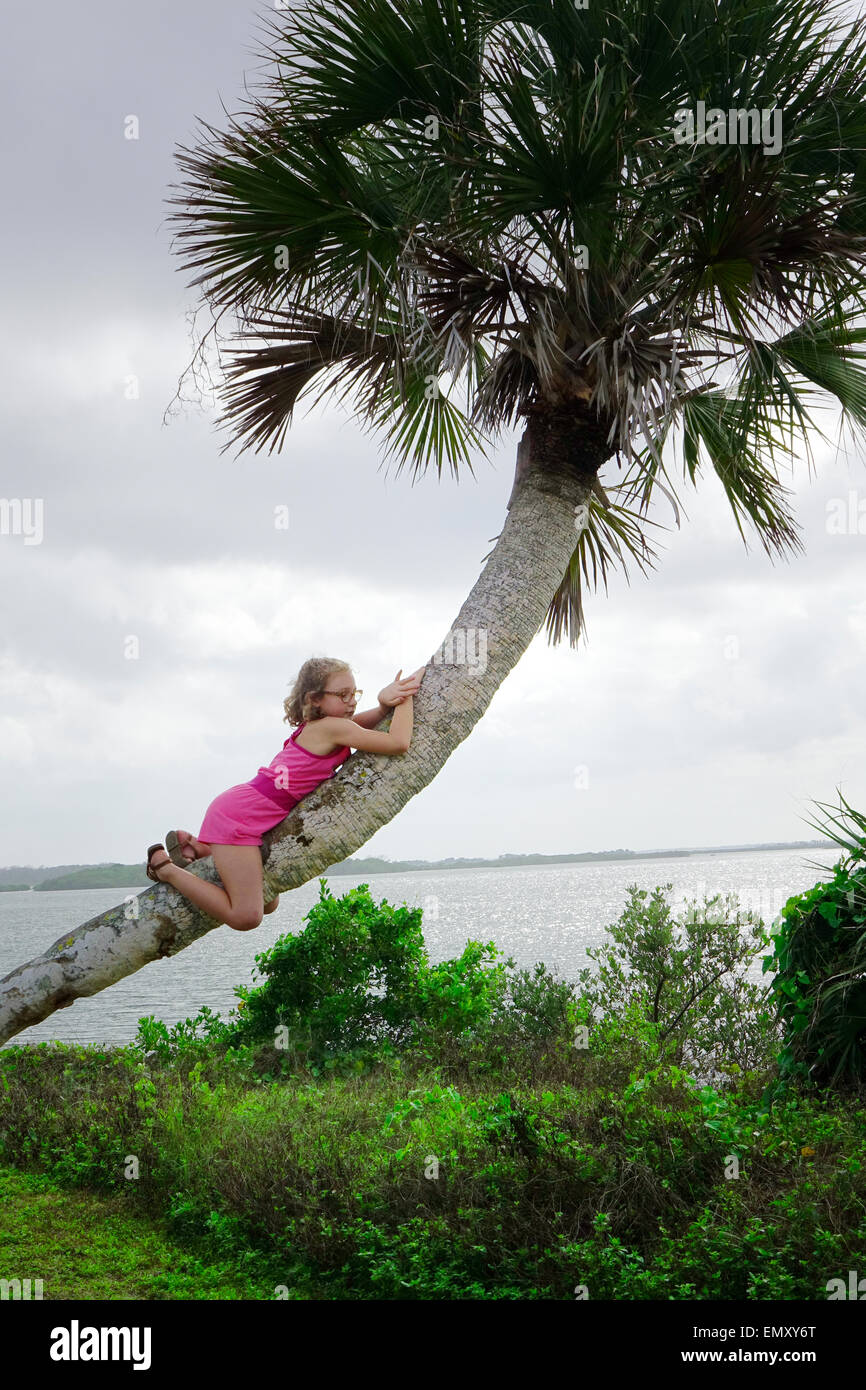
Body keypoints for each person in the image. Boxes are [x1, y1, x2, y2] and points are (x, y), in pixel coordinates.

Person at [145, 658, 425, 931]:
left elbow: (368, 724)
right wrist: (406, 696)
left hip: (246, 810)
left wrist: (384, 702)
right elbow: (398, 742)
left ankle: (199, 848)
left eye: (354, 693)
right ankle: (165, 868)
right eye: (342, 694)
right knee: (247, 916)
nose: (351, 701)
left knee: (269, 903)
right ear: (315, 699)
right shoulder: (332, 727)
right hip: (239, 816)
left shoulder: (326, 727)